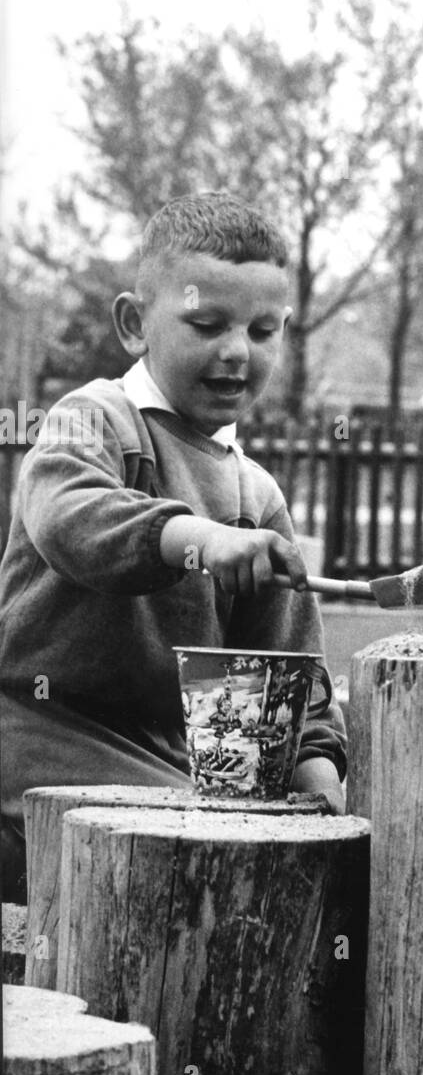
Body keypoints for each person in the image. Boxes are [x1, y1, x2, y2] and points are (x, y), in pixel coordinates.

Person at [0, 192, 347, 900]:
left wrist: (317, 777)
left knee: (264, 856)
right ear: (135, 325)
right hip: (36, 736)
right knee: (195, 859)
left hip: (168, 768)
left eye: (262, 330)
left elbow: (281, 675)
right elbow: (72, 521)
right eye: (206, 324)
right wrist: (195, 540)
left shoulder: (256, 497)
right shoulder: (92, 421)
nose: (235, 351)